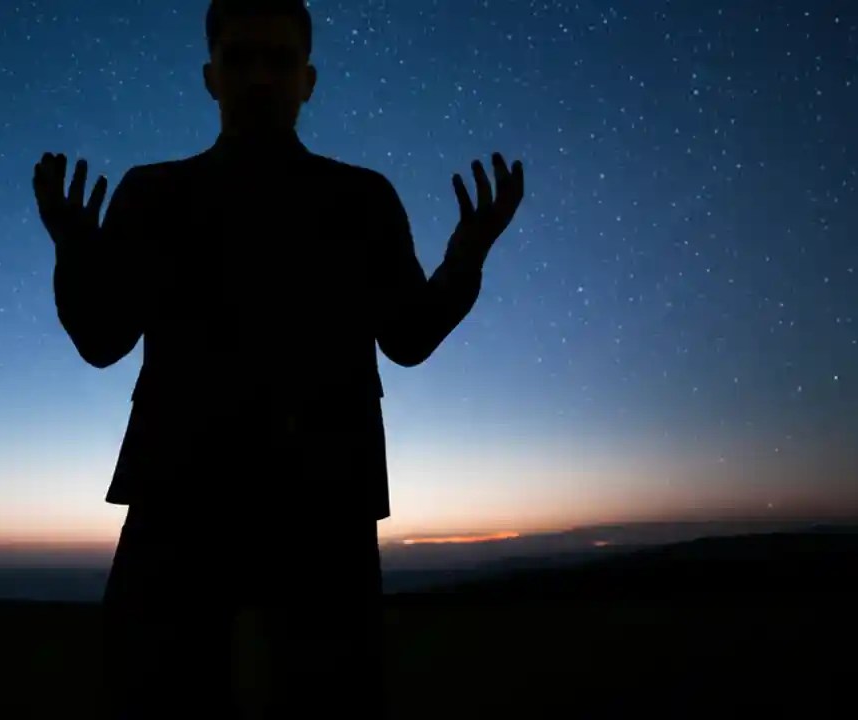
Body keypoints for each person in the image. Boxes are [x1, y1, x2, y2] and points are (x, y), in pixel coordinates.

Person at [32, 1, 525, 716]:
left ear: (308, 79)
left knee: (327, 700)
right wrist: (73, 249)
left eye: (278, 60)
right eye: (240, 58)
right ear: (211, 76)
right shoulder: (155, 194)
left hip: (319, 497)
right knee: (155, 696)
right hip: (186, 496)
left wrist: (466, 259)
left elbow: (407, 337)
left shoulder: (361, 199)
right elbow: (102, 339)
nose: (259, 75)